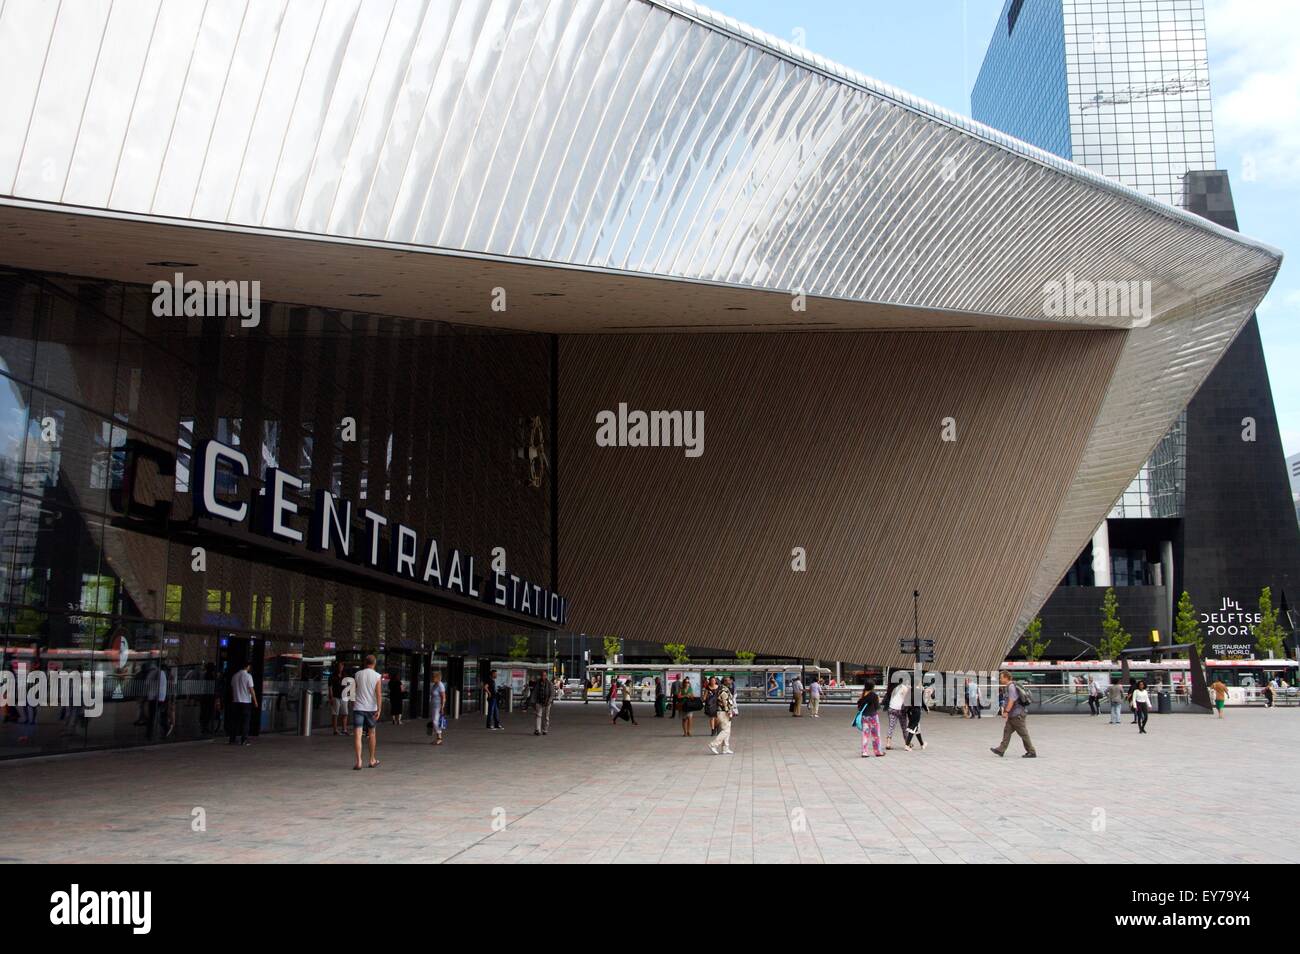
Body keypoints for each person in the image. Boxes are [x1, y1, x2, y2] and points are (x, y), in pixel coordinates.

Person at [990, 671, 1036, 758]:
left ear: (1006, 678)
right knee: (1007, 731)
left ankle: (1031, 751)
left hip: (1017, 715)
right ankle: (1001, 750)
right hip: (1013, 715)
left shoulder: (1011, 687)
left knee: (1023, 733)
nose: (1000, 679)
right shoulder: (1008, 687)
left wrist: (1006, 712)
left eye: (1001, 677)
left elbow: (1012, 700)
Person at [351, 654, 382, 770]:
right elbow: (378, 694)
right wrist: (379, 709)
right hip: (371, 709)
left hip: (358, 708)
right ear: (374, 663)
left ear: (365, 663)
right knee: (372, 734)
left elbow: (353, 691)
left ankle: (359, 761)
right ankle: (372, 759)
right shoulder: (377, 676)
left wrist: (353, 703)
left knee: (358, 735)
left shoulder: (357, 674)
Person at [228, 661, 256, 746]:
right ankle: (244, 740)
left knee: (235, 721)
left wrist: (234, 698)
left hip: (236, 701)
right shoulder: (248, 676)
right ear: (247, 666)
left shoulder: (235, 676)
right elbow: (251, 690)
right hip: (246, 702)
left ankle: (232, 739)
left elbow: (232, 689)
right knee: (245, 721)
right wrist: (255, 701)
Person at [708, 678, 736, 755]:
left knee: (727, 730)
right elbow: (725, 702)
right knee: (725, 730)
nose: (730, 681)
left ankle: (725, 748)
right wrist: (729, 712)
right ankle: (713, 744)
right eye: (728, 680)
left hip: (723, 712)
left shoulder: (724, 688)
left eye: (730, 680)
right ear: (724, 682)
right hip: (723, 712)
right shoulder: (724, 690)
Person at [857, 681, 884, 757]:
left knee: (865, 734)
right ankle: (878, 751)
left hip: (864, 717)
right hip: (873, 716)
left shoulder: (862, 695)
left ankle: (864, 752)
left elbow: (859, 706)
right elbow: (877, 707)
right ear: (873, 687)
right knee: (876, 735)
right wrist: (879, 700)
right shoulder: (874, 695)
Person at [886, 680, 910, 751]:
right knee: (904, 727)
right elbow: (906, 700)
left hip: (891, 708)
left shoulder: (895, 688)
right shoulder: (904, 688)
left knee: (891, 726)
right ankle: (907, 743)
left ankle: (888, 743)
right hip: (900, 710)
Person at [328, 661, 348, 735]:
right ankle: (335, 730)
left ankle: (344, 729)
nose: (340, 668)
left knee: (345, 713)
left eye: (341, 666)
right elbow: (330, 687)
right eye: (339, 666)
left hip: (343, 697)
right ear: (336, 667)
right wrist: (331, 697)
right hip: (335, 697)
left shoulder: (344, 675)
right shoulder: (332, 676)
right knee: (335, 714)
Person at [533, 670, 554, 736]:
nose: (543, 677)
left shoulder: (549, 683)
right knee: (538, 715)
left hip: (547, 702)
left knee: (546, 717)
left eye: (544, 675)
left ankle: (545, 730)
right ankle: (538, 730)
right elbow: (535, 692)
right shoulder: (538, 683)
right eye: (542, 675)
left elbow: (552, 694)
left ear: (546, 676)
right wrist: (533, 701)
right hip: (539, 701)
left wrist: (549, 701)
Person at [428, 671, 446, 745]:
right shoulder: (435, 685)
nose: (432, 678)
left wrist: (442, 707)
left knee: (435, 721)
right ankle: (438, 738)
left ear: (437, 677)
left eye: (433, 677)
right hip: (434, 705)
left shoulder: (440, 685)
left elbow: (444, 697)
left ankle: (439, 738)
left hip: (438, 706)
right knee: (434, 721)